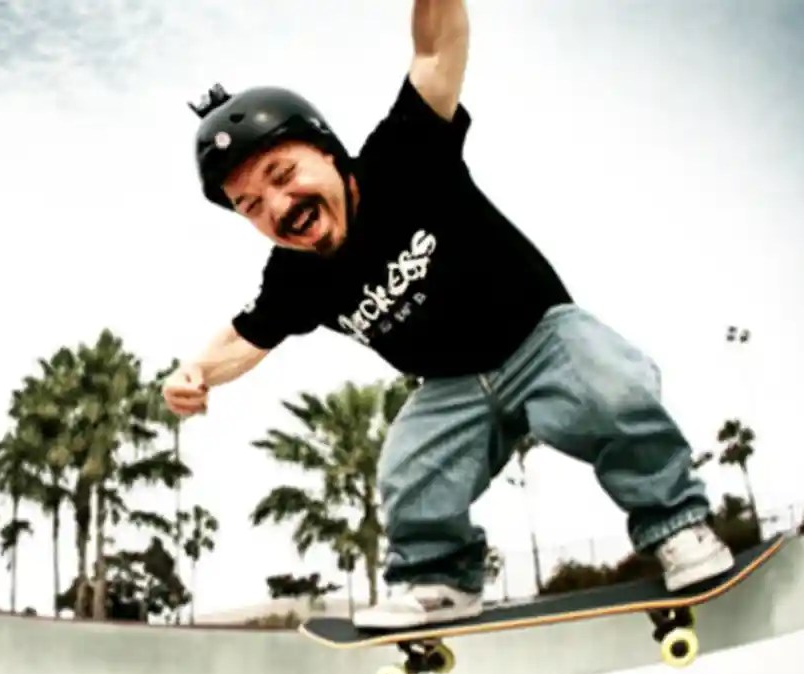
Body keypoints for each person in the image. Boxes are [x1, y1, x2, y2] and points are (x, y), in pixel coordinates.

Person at [162, 0, 734, 630]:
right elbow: (246, 337)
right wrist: (196, 372)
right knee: (407, 471)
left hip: (542, 338)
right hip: (454, 389)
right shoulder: (295, 276)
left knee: (612, 389)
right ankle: (440, 580)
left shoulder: (404, 154)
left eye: (283, 173)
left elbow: (436, 52)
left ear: (329, 152)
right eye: (251, 205)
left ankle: (677, 527)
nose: (279, 206)